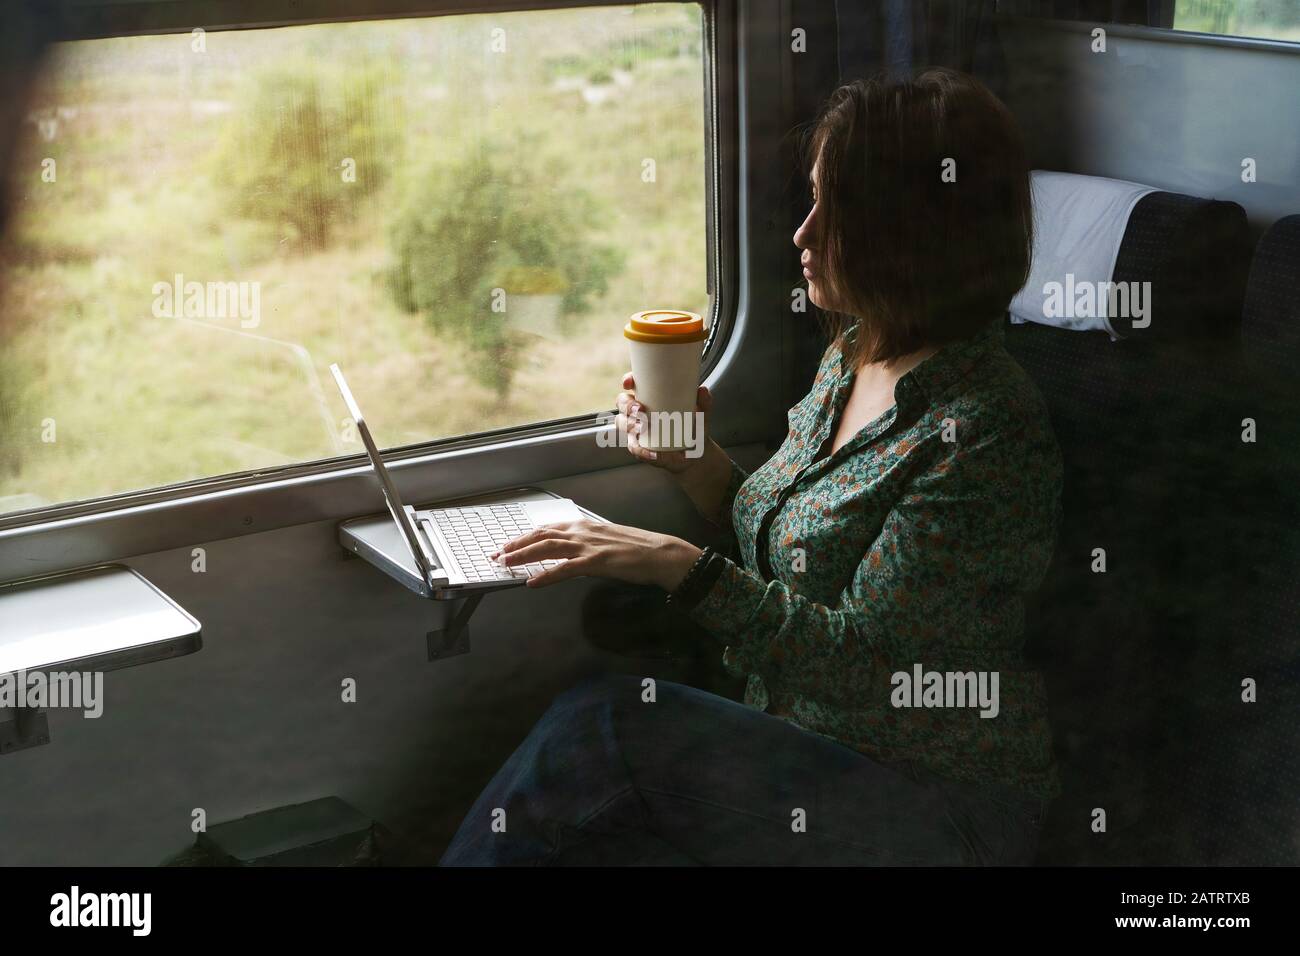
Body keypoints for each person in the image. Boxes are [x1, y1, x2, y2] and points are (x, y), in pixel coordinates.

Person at [440, 67, 1062, 866]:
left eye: (832, 209)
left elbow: (874, 671)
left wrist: (679, 567)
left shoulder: (983, 430)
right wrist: (699, 468)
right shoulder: (854, 355)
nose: (801, 234)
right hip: (810, 747)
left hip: (933, 802)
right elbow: (801, 553)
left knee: (604, 727)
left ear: (912, 226)